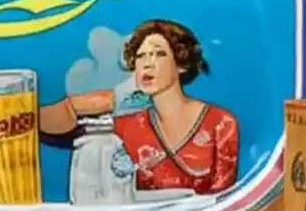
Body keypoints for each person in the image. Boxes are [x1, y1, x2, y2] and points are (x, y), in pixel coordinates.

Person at [39, 19, 240, 195]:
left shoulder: (220, 122)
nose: (147, 64)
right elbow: (45, 122)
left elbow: (225, 198)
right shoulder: (128, 126)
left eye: (159, 54)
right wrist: (100, 101)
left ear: (181, 63)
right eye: (141, 56)